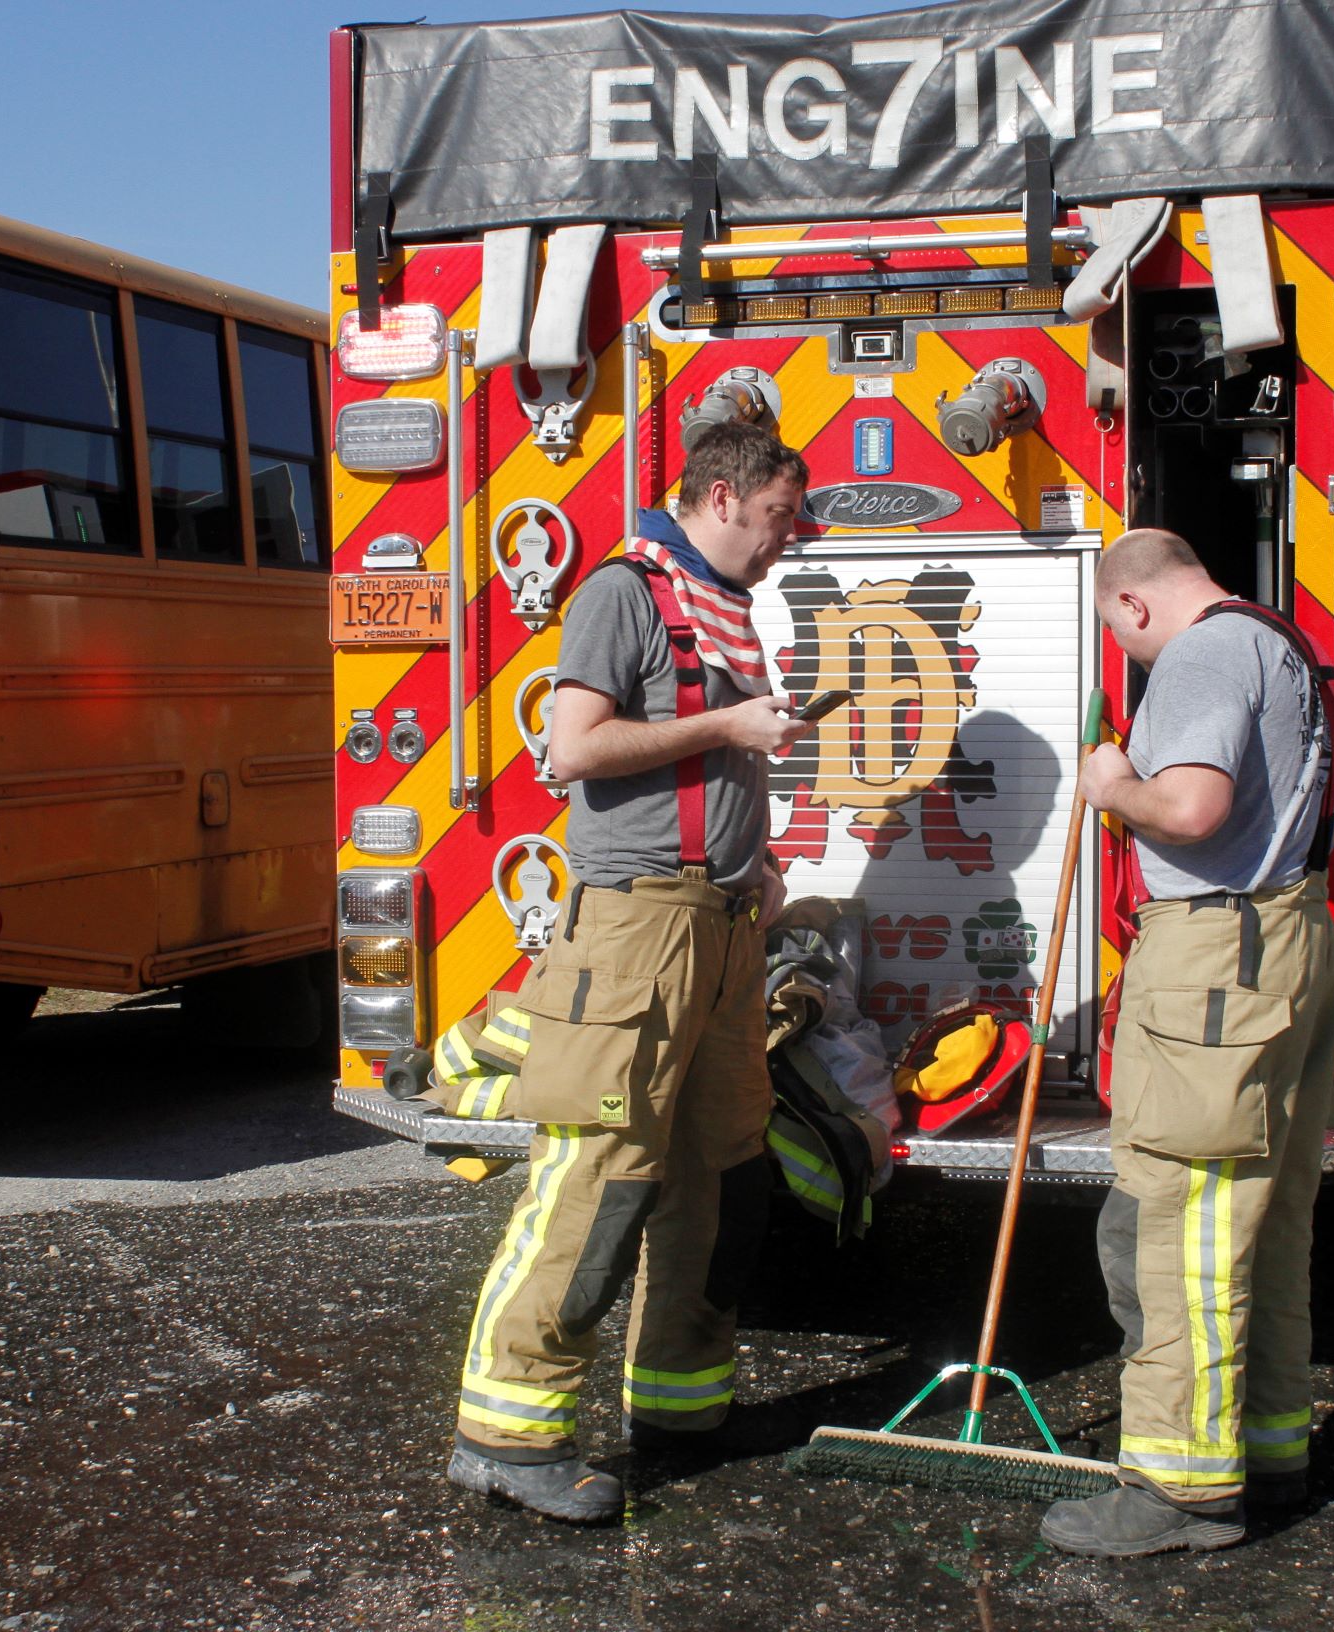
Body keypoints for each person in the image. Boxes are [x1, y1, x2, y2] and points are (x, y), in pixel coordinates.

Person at [447, 421, 811, 1523]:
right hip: (641, 934)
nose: (787, 541)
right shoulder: (623, 589)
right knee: (597, 1175)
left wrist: (761, 863)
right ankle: (507, 1434)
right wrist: (727, 726)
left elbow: (708, 761)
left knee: (720, 1172)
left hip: (724, 924)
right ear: (720, 494)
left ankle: (680, 1402)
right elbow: (574, 748)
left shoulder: (729, 600)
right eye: (779, 517)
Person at [1040, 527, 1334, 1558]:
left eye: (1114, 634)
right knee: (1261, 1221)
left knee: (1175, 1226)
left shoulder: (1203, 653)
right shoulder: (1274, 640)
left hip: (1218, 962)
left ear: (1132, 606)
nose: (1123, 650)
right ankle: (1263, 1448)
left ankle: (1179, 1490)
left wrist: (1110, 786)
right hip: (1283, 944)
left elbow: (1190, 804)